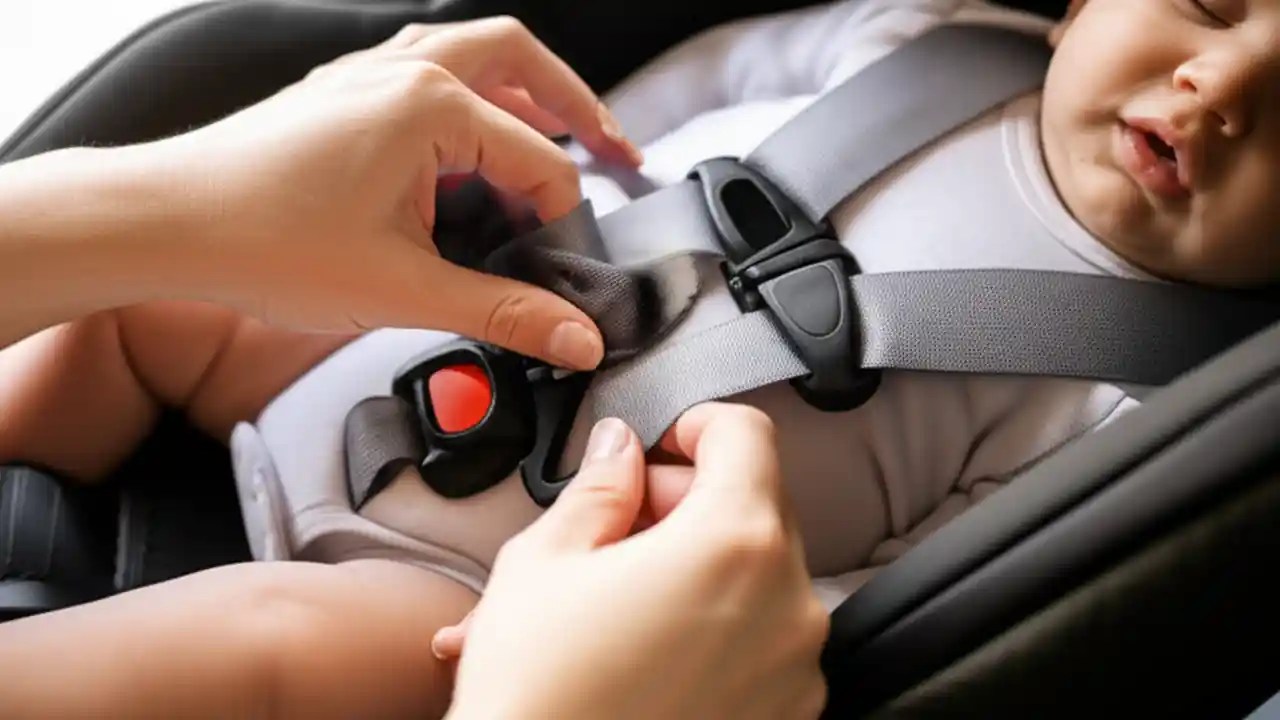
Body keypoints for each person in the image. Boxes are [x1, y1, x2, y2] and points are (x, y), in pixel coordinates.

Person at [6, 0, 1280, 713]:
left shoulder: (1118, 395)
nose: (1217, 86)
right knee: (139, 305)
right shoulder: (926, 39)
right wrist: (571, 149)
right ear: (1074, 6)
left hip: (496, 597)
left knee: (263, 644)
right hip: (424, 308)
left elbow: (884, 602)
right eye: (1207, 2)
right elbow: (708, 81)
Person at [0, 17, 828, 720]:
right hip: (387, 334)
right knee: (143, 314)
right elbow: (638, 120)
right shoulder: (909, 40)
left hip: (490, 587)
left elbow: (815, 603)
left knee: (279, 638)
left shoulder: (914, 44)